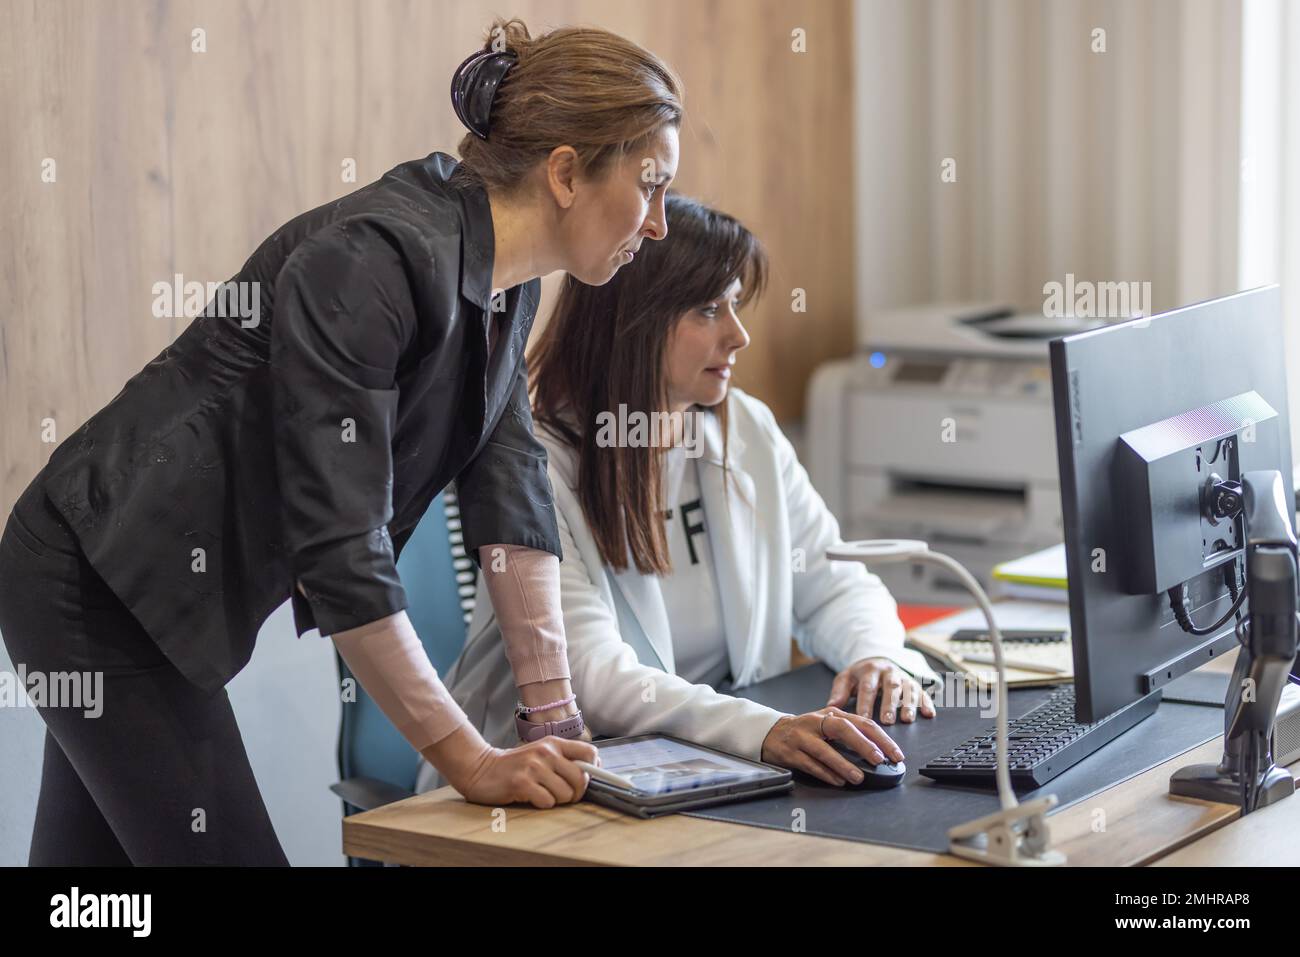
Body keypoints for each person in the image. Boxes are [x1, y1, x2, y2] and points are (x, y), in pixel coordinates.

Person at [0, 18, 682, 865]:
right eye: (651, 186)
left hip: (142, 586)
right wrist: (469, 757)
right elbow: (341, 545)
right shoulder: (372, 261)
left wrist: (556, 719)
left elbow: (511, 491)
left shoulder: (508, 291)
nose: (657, 225)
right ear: (568, 171)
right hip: (92, 576)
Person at [418, 194, 938, 794]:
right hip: (545, 784)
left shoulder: (743, 428)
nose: (739, 336)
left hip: (711, 766)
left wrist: (876, 657)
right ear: (635, 323)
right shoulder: (538, 461)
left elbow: (833, 581)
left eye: (736, 306)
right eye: (708, 310)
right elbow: (593, 678)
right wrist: (766, 732)